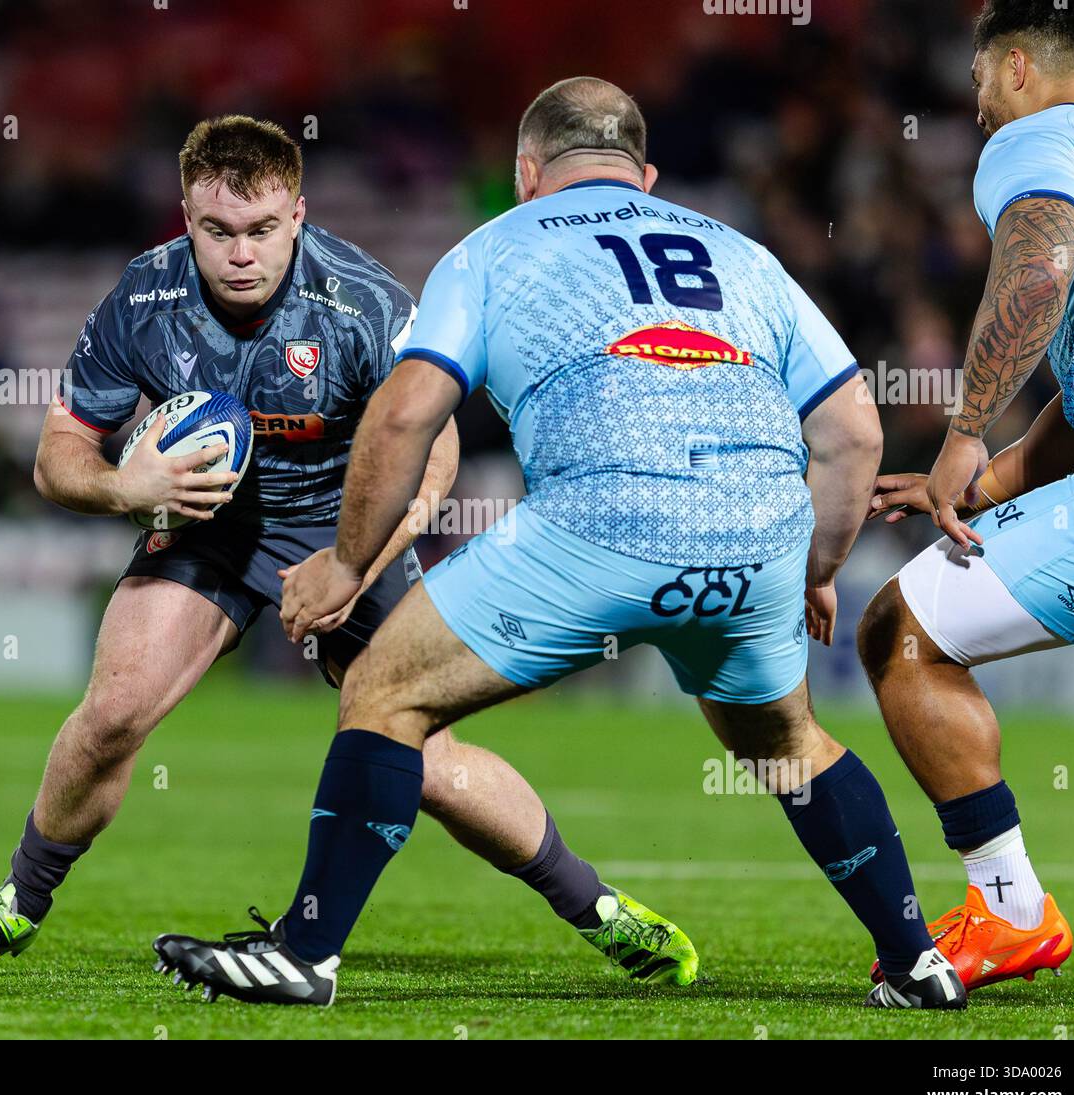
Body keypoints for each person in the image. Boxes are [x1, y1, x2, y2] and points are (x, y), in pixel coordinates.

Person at [153, 80, 965, 1010]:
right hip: (758, 533)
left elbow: (408, 409)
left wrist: (344, 562)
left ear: (526, 175)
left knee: (382, 693)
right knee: (787, 743)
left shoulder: (495, 245)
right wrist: (815, 571)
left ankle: (304, 953)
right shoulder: (745, 254)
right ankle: (916, 963)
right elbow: (854, 434)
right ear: (645, 177)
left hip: (602, 519)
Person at [0, 114, 696, 991]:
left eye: (260, 231)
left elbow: (432, 455)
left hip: (350, 524)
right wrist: (126, 490)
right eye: (216, 231)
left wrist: (353, 564)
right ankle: (15, 902)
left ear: (298, 216)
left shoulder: (361, 301)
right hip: (205, 523)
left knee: (420, 753)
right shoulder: (143, 298)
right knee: (115, 710)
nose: (239, 253)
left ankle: (599, 908)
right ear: (185, 219)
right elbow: (59, 454)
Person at [859, 0, 1074, 992]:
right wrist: (1000, 473)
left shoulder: (1037, 140)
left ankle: (1007, 909)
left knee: (900, 630)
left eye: (974, 87)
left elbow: (1037, 263)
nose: (976, 111)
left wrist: (962, 432)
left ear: (1016, 69)